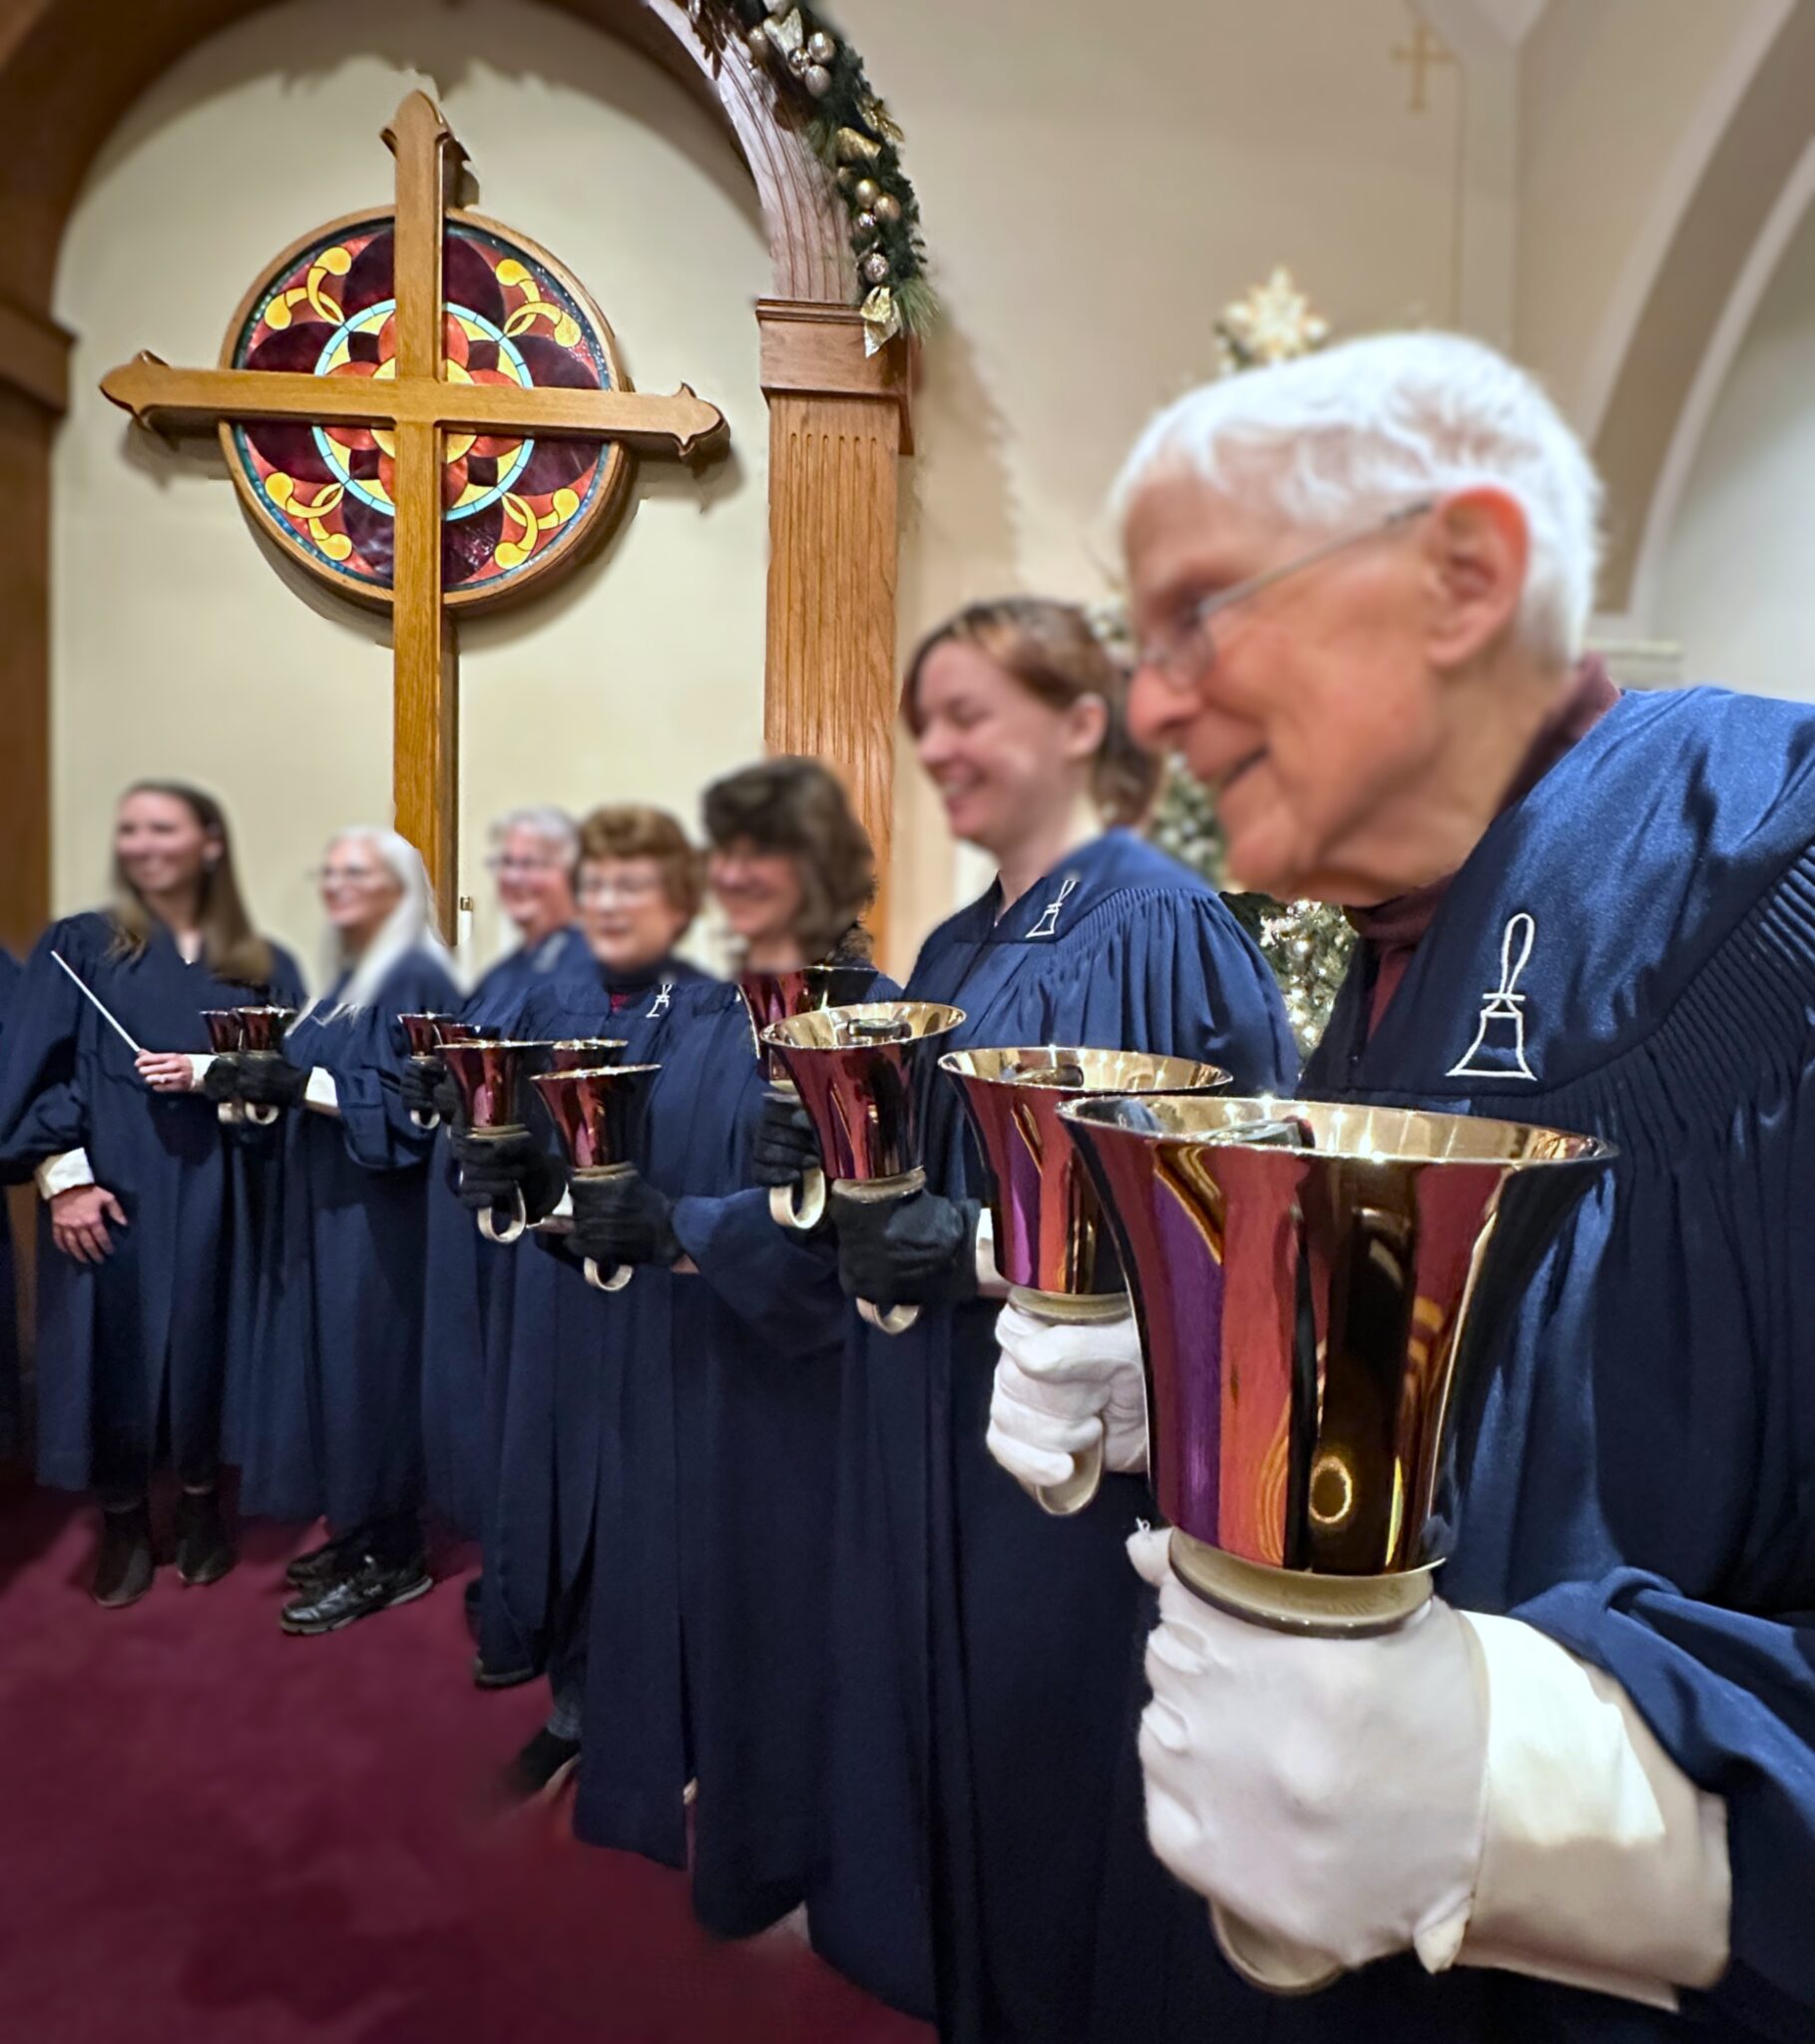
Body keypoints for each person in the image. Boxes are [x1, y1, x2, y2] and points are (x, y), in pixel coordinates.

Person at [992, 329, 1815, 2042]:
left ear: (1461, 577)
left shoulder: (1766, 868)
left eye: (1204, 619)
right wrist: (1201, 1380)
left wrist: (1574, 1799)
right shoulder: (1375, 969)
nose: (1148, 706)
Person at [809, 600, 1297, 2043]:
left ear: (1081, 725)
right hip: (935, 1436)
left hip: (1073, 1474)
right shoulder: (960, 936)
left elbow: (1226, 1221)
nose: (937, 748)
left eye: (969, 714)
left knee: (1048, 1773)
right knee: (948, 1748)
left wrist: (958, 1247)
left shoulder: (1158, 921)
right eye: (928, 722)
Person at [565, 758, 896, 1938]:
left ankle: (773, 1850)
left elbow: (852, 1224)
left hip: (792, 1377)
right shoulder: (706, 1004)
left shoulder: (866, 1012)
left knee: (774, 1604)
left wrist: (687, 1236)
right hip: (684, 1348)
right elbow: (643, 1162)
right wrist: (586, 1212)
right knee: (677, 1577)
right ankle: (680, 1769)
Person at [450, 804, 712, 1800]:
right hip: (550, 1300)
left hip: (657, 1307)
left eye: (632, 886)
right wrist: (481, 1160)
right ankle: (572, 1702)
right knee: (551, 1492)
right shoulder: (548, 999)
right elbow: (488, 1137)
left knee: (649, 1508)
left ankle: (671, 1722)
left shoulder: (713, 1012)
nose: (607, 904)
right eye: (595, 885)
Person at [0, 782, 302, 1604]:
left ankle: (204, 1505)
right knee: (116, 1354)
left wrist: (236, 1088)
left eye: (161, 827)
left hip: (224, 1185)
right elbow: (33, 1070)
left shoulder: (260, 962)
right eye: (129, 828)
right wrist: (63, 1183)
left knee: (213, 1344)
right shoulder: (80, 949)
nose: (141, 843)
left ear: (210, 842)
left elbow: (289, 1084)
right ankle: (125, 1522)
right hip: (116, 1185)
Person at [210, 828, 458, 1633]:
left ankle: (391, 1554)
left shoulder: (419, 974)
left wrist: (298, 1079)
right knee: (327, 1372)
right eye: (332, 873)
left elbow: (412, 1108)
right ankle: (357, 1531)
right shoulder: (350, 977)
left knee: (369, 1380)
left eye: (359, 874)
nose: (338, 886)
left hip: (377, 1219)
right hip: (324, 1204)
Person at [406, 806, 590, 1670]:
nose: (518, 881)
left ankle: (534, 1613)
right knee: (490, 1401)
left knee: (538, 1417)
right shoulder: (512, 967)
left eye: (537, 864)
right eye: (506, 865)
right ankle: (513, 1584)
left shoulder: (592, 971)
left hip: (548, 1228)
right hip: (487, 1214)